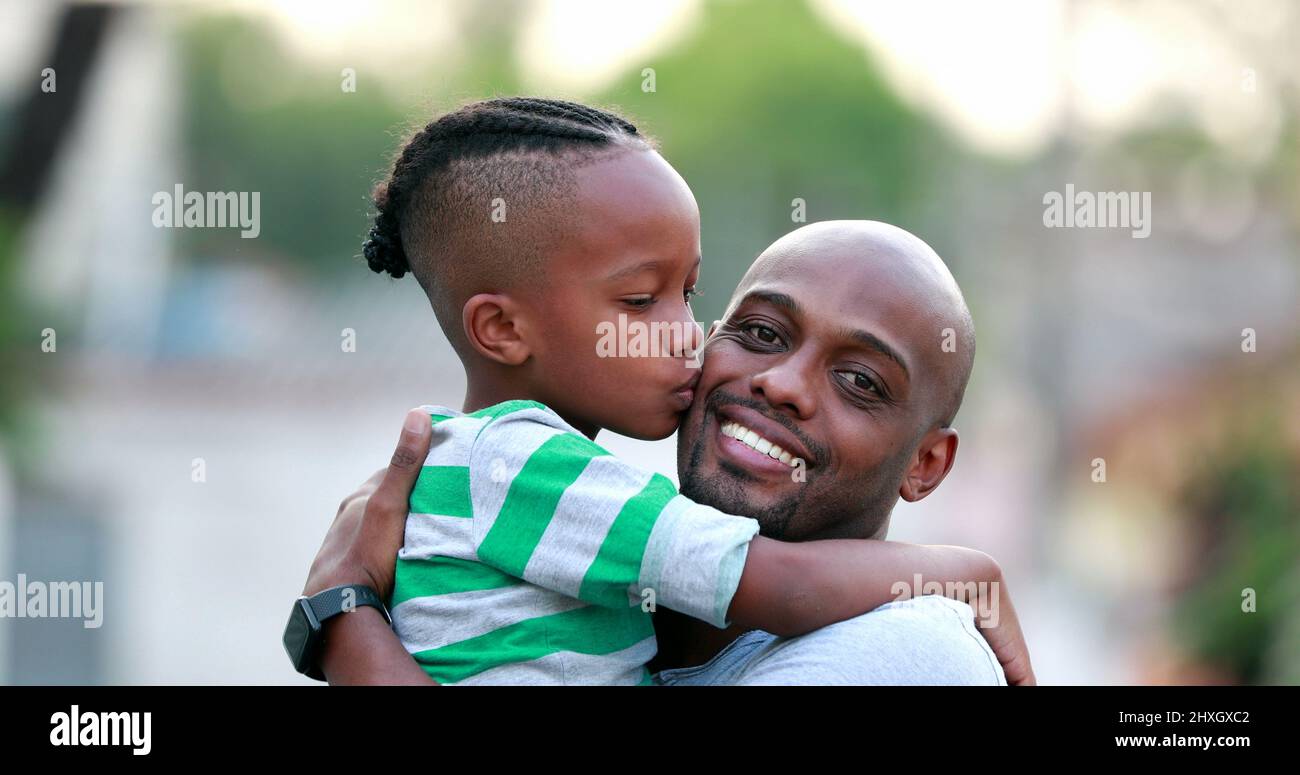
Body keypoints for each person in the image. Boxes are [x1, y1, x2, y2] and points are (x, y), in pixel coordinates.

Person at [302, 98, 1033, 686]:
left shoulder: (908, 654)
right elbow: (775, 581)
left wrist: (343, 621)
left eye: (860, 381)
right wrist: (963, 570)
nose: (779, 383)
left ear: (927, 464)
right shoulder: (539, 483)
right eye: (761, 332)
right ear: (500, 326)